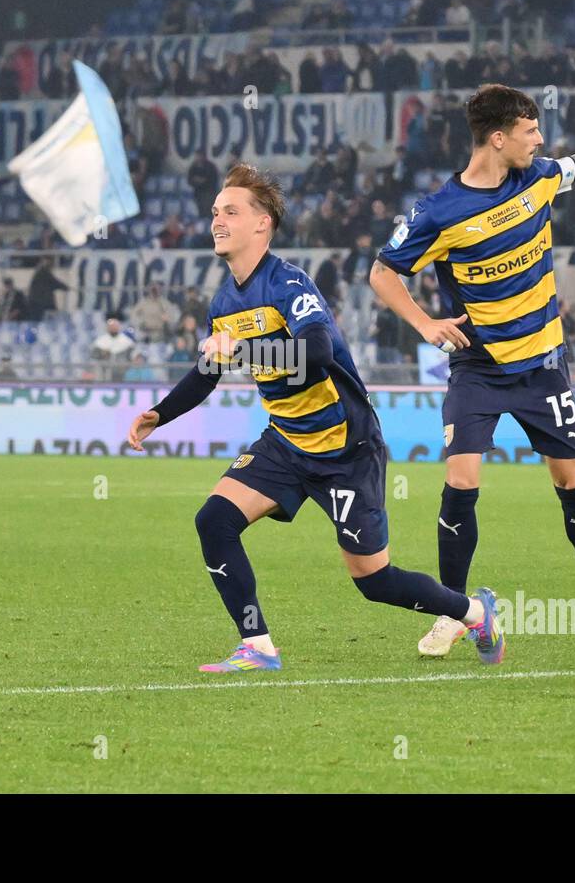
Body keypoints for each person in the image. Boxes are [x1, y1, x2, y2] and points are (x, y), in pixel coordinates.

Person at [368, 47, 575, 660]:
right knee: (459, 483)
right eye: (530, 131)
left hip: (543, 365)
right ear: (496, 139)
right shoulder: (438, 211)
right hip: (478, 370)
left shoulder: (538, 181)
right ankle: (455, 610)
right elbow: (383, 272)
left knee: (573, 484)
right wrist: (424, 322)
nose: (540, 141)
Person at [127, 163, 504, 674]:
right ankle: (257, 646)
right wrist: (159, 413)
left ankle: (474, 613)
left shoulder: (288, 283)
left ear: (262, 224)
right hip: (285, 442)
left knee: (375, 582)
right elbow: (208, 371)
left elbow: (318, 352)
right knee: (214, 521)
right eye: (215, 212)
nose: (218, 220)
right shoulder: (224, 301)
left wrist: (244, 350)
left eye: (231, 211)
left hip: (346, 449)